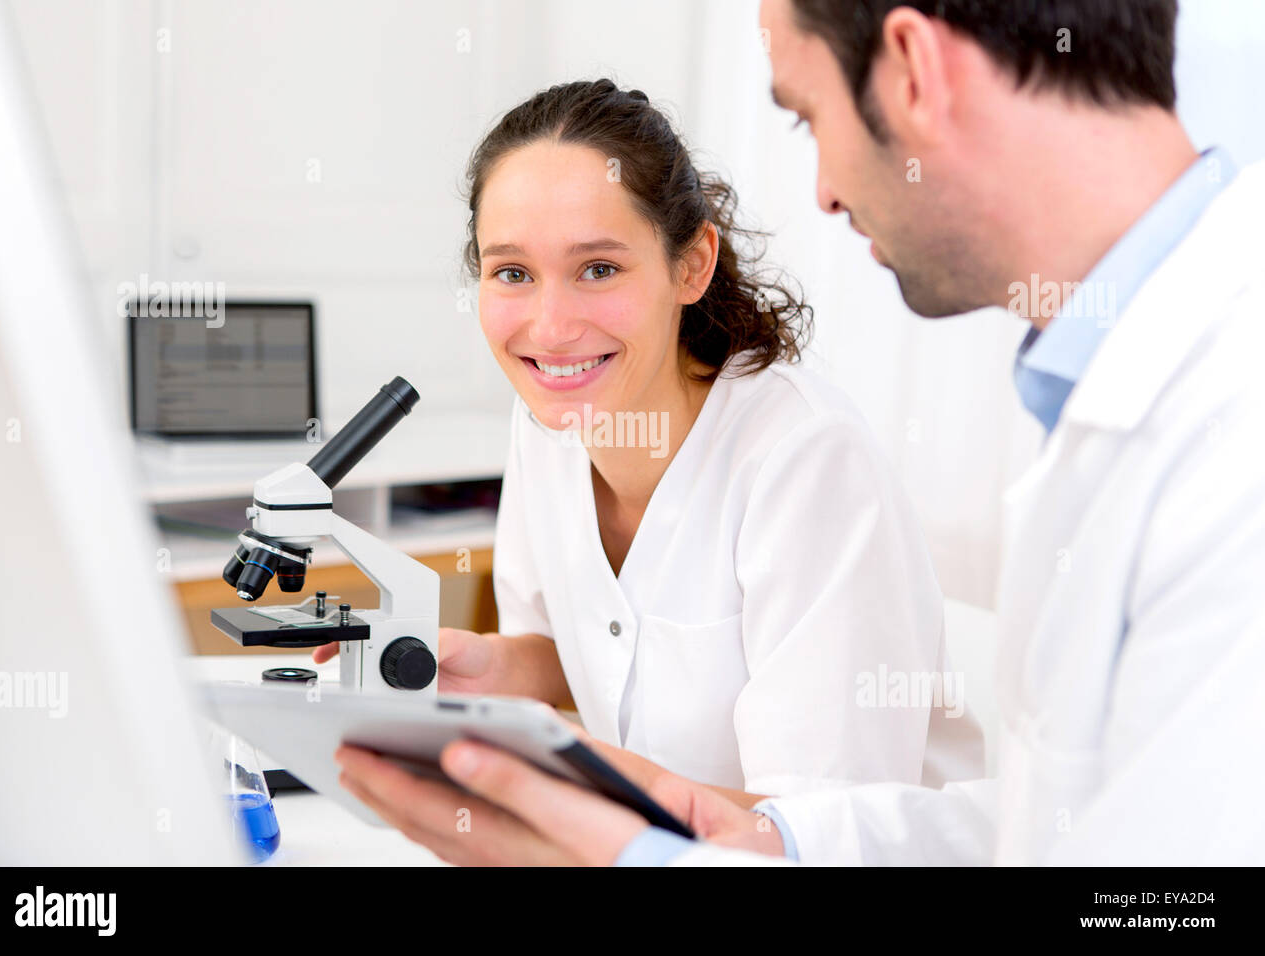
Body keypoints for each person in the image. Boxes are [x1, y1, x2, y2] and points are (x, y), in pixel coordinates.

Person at [335, 0, 1265, 866]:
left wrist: (643, 853)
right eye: (511, 274)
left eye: (808, 116)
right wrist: (723, 828)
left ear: (910, 68)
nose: (821, 192)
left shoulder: (1221, 432)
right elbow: (1045, 834)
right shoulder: (1112, 391)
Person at [323, 78, 983, 804]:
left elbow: (818, 831)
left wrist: (573, 815)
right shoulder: (547, 423)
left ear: (691, 265)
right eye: (512, 272)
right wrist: (491, 667)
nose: (549, 328)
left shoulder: (805, 462)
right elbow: (595, 659)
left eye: (598, 269)